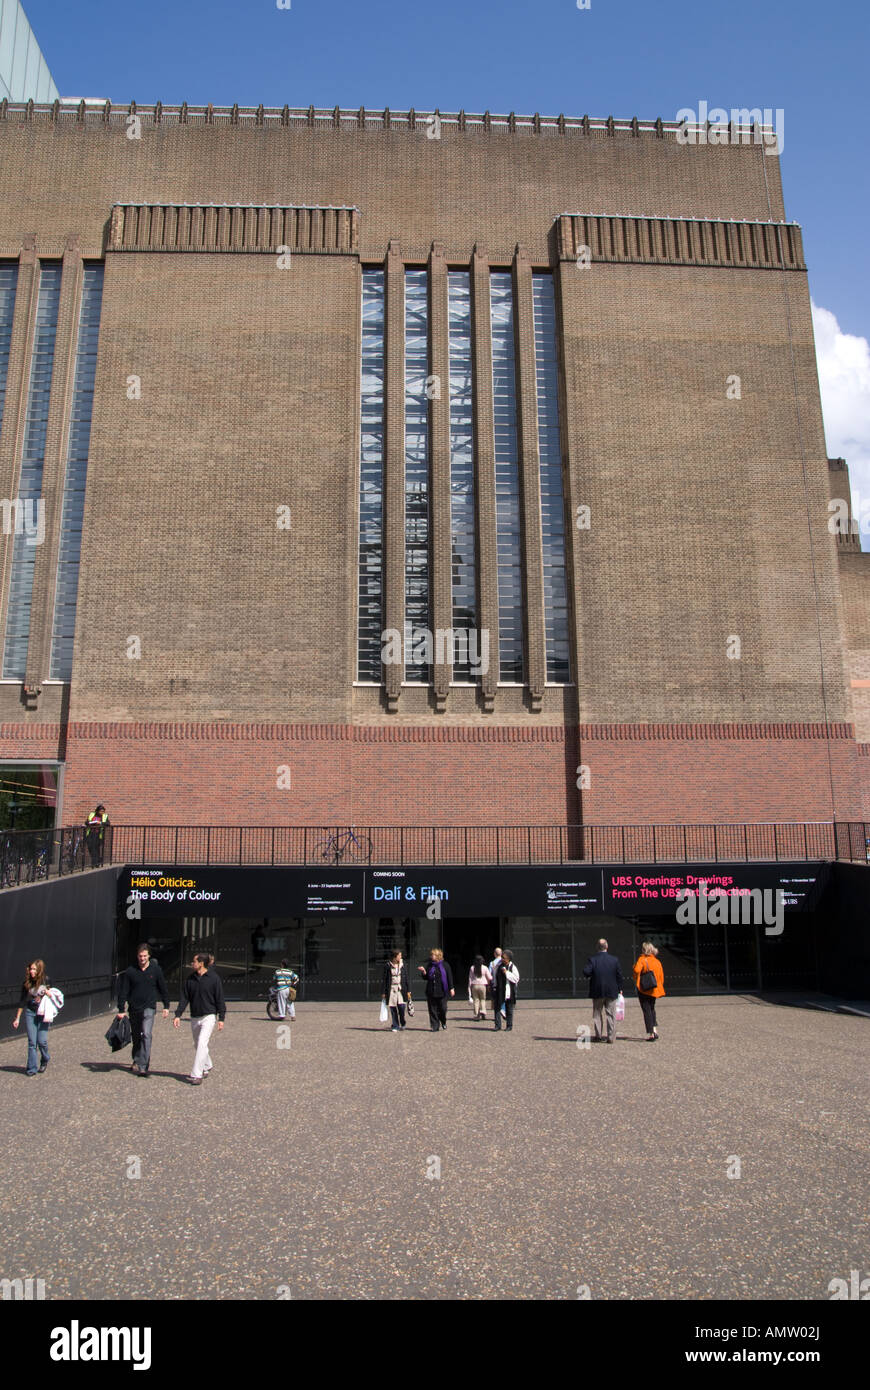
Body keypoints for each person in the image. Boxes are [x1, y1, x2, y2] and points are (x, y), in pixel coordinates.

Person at [116, 943, 170, 1077]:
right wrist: (121, 1008)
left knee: (146, 1034)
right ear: (137, 956)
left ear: (149, 956)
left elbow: (163, 987)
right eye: (140, 956)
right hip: (134, 1008)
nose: (142, 958)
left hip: (149, 1007)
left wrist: (166, 1005)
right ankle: (136, 1058)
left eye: (145, 956)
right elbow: (124, 991)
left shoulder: (155, 970)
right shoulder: (130, 971)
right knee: (136, 1036)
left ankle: (143, 1066)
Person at [173, 952, 226, 1084]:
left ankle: (197, 1074)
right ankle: (207, 1065)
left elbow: (219, 998)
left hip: (209, 1015)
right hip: (195, 1016)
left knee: (202, 1042)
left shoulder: (214, 979)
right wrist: (178, 1014)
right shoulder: (190, 979)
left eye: (194, 961)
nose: (192, 964)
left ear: (201, 963)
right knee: (198, 1044)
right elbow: (184, 998)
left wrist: (221, 1018)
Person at [12, 960, 52, 1075]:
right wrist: (17, 1018)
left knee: (42, 1041)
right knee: (31, 1042)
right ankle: (31, 1069)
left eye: (34, 969)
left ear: (39, 970)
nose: (32, 971)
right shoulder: (27, 983)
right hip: (31, 1012)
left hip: (43, 1013)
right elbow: (22, 1000)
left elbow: (52, 994)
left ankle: (45, 1058)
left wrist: (48, 993)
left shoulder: (46, 980)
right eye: (31, 969)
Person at [582, 938, 624, 1044]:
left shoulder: (593, 959)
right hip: (611, 990)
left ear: (597, 947)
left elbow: (586, 971)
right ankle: (611, 1037)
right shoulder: (614, 960)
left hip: (597, 990)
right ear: (607, 947)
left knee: (597, 1014)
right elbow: (619, 976)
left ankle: (598, 1036)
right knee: (611, 1014)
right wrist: (620, 989)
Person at [633, 941, 665, 1041]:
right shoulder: (657, 961)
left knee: (646, 1010)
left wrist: (634, 967)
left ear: (644, 950)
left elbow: (636, 971)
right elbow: (661, 977)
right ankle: (655, 1030)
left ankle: (651, 1033)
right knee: (652, 1009)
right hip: (654, 989)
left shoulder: (642, 959)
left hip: (644, 988)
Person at [418, 948, 454, 1031]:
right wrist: (424, 971)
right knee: (432, 1009)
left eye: (432, 955)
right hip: (431, 990)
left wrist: (451, 988)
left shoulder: (445, 965)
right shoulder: (430, 965)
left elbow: (449, 977)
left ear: (438, 956)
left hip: (442, 991)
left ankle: (443, 1021)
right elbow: (426, 977)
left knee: (443, 1008)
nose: (431, 956)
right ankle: (435, 1025)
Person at [382, 949, 411, 1030]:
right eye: (399, 955)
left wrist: (408, 990)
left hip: (401, 989)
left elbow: (406, 978)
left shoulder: (403, 964)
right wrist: (383, 992)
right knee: (393, 1008)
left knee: (402, 1007)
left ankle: (403, 1022)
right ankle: (395, 1025)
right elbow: (385, 979)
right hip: (391, 989)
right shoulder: (388, 965)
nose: (401, 957)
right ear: (395, 957)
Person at [493, 949, 520, 1030]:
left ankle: (509, 1025)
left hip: (509, 990)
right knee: (497, 1007)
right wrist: (494, 985)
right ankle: (497, 1025)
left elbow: (516, 978)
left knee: (509, 1008)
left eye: (504, 958)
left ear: (508, 959)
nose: (502, 959)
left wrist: (506, 973)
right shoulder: (499, 965)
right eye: (502, 957)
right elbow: (495, 975)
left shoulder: (512, 967)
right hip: (500, 989)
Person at [468, 956, 492, 1021]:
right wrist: (489, 983)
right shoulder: (485, 968)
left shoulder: (472, 968)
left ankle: (476, 1015)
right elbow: (490, 977)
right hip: (483, 985)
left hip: (474, 985)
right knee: (483, 999)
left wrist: (469, 987)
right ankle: (483, 1011)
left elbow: (470, 978)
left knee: (476, 1000)